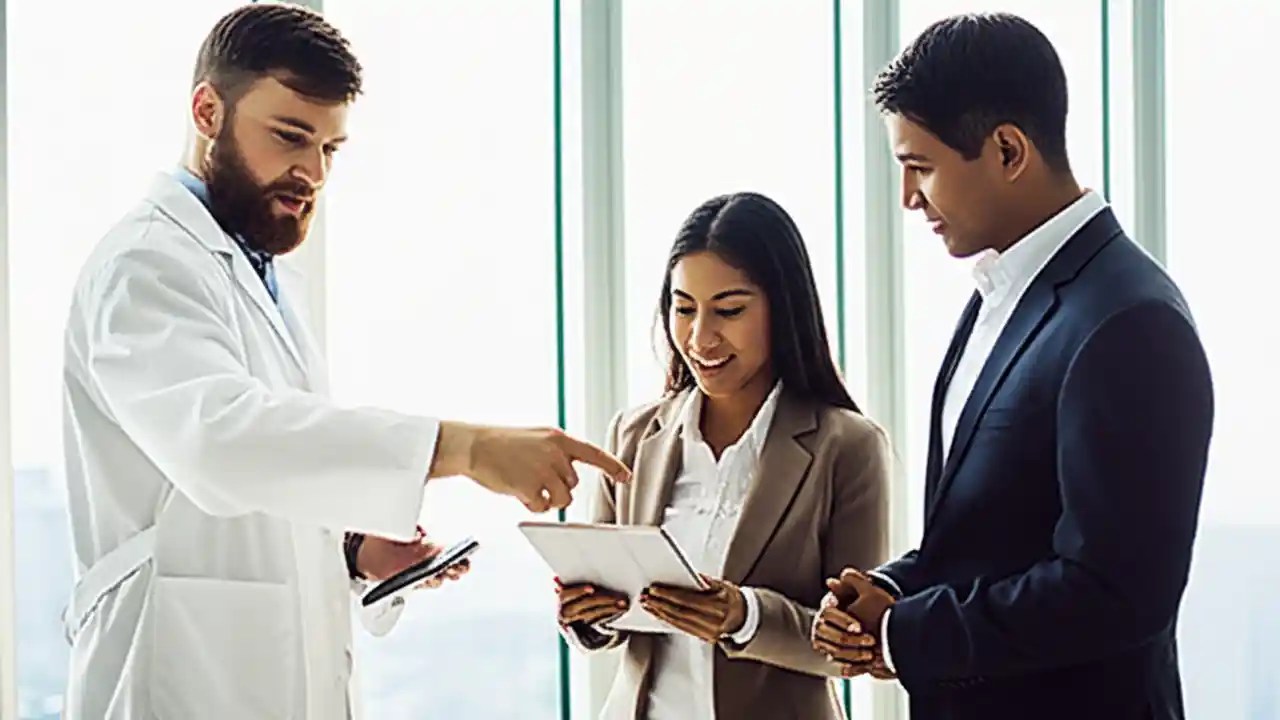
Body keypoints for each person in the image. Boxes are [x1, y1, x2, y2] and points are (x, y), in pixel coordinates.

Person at [59, 4, 628, 718]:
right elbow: (220, 444)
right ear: (208, 110)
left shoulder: (261, 278)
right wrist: (469, 448)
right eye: (290, 137)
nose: (311, 172)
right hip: (169, 672)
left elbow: (268, 479)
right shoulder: (144, 263)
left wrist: (353, 551)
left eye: (329, 149)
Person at [811, 13, 1214, 720]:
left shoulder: (1129, 320)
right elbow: (991, 538)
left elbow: (1119, 592)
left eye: (920, 168)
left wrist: (905, 632)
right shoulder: (1003, 292)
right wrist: (890, 592)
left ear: (1006, 150)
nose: (909, 200)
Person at [557, 192, 891, 719]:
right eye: (683, 308)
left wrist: (745, 617)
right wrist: (588, 615)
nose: (699, 337)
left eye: (729, 311)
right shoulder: (633, 434)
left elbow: (856, 644)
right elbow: (602, 620)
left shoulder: (846, 446)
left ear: (783, 308)